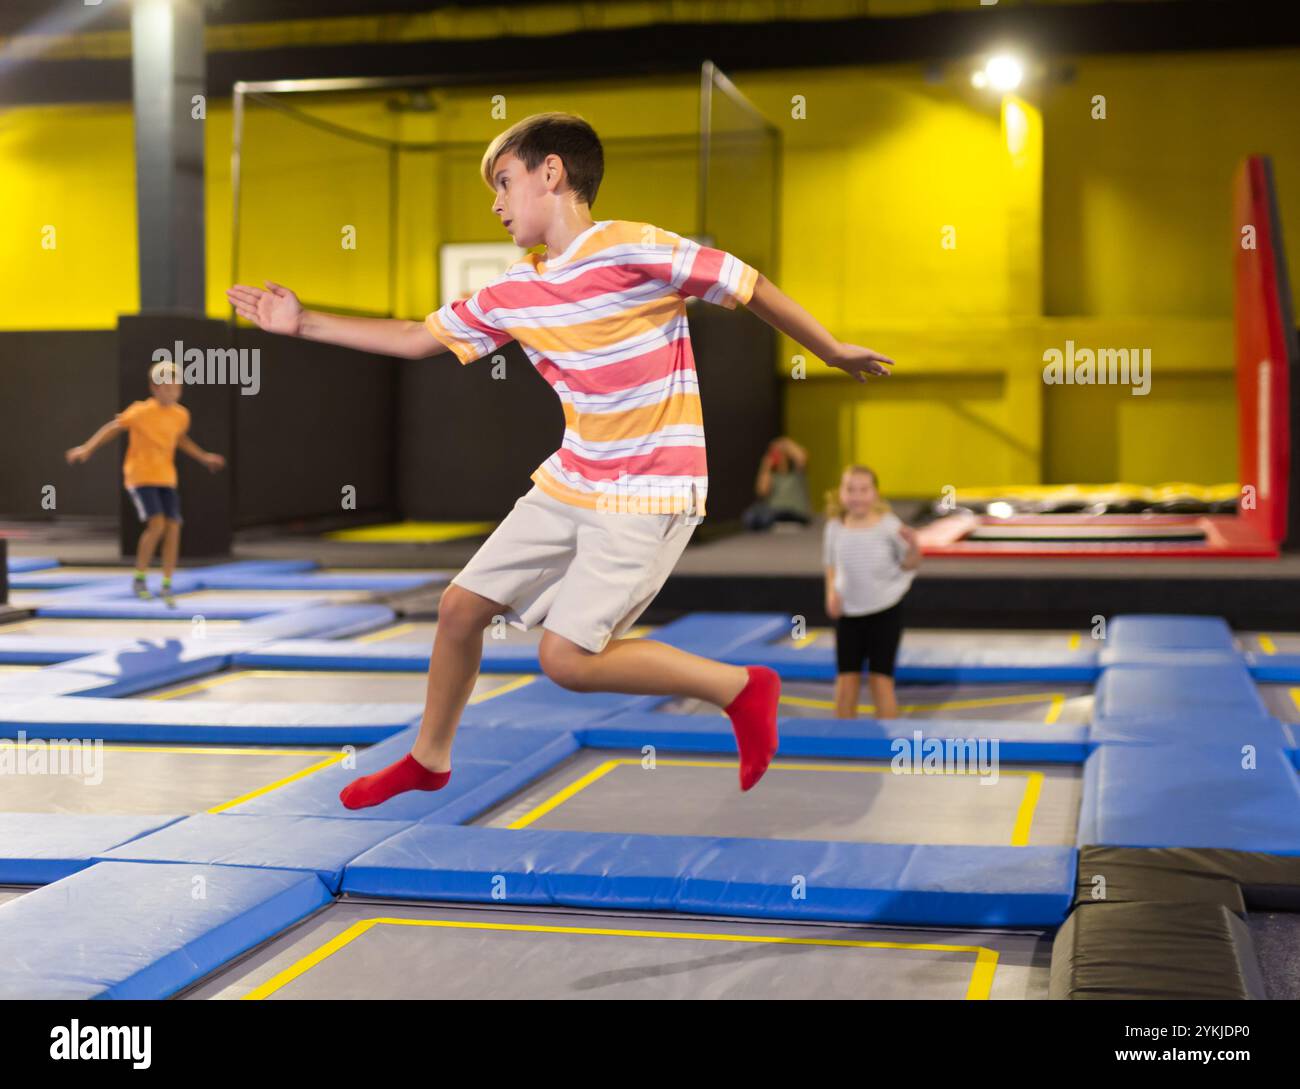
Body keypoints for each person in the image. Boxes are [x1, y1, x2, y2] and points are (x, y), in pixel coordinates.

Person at [225, 112, 894, 805]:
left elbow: (747, 283)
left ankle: (741, 689)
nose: (495, 203)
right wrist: (303, 323)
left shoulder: (633, 246)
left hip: (650, 489)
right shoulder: (516, 289)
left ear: (554, 173)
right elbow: (413, 336)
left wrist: (829, 348)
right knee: (458, 609)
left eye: (505, 182)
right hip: (573, 477)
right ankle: (429, 756)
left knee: (567, 661)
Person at [65, 362, 226, 606]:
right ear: (154, 388)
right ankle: (140, 578)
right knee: (157, 524)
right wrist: (87, 448)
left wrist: (204, 457)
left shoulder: (181, 415)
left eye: (175, 387)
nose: (172, 392)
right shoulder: (140, 412)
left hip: (166, 478)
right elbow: (113, 428)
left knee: (173, 527)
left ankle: (166, 584)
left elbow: (180, 440)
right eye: (166, 387)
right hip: (140, 476)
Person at [823, 465, 921, 719]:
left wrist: (913, 546)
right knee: (846, 682)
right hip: (849, 613)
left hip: (885, 610)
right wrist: (831, 593)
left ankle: (889, 742)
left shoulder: (888, 525)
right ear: (841, 493)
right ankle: (841, 742)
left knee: (881, 681)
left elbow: (910, 564)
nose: (857, 496)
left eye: (864, 490)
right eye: (850, 490)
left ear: (875, 493)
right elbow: (831, 565)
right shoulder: (835, 527)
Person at [743, 436, 813, 530]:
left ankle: (774, 523)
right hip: (775, 512)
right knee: (752, 513)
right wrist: (766, 467)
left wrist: (785, 444)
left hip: (796, 512)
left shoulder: (797, 472)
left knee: (766, 516)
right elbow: (762, 491)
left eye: (779, 453)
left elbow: (802, 457)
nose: (777, 455)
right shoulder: (771, 475)